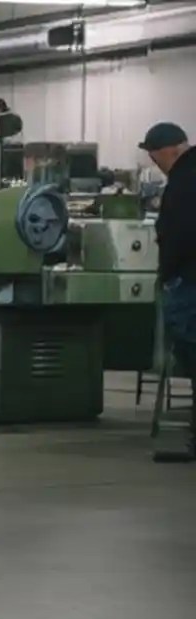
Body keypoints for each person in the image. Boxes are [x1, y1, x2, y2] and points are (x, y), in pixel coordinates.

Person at [143, 122, 196, 449]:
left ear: (170, 151)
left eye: (154, 157)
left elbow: (180, 233)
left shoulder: (184, 179)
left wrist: (168, 274)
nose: (154, 163)